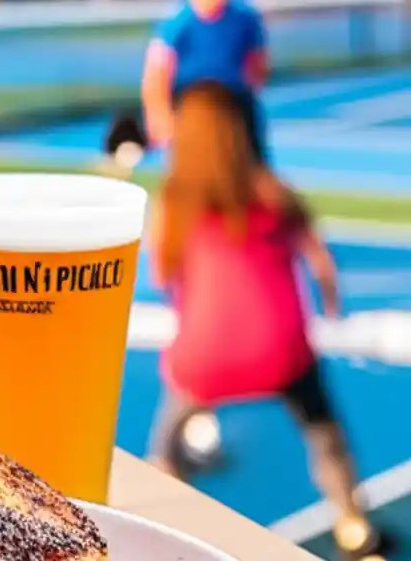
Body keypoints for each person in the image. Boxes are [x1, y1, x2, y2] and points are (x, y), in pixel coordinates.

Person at [147, 82, 380, 560]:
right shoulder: (275, 194)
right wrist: (331, 306)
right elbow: (321, 265)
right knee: (324, 431)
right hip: (281, 354)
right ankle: (353, 524)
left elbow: (163, 272)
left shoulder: (173, 202)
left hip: (204, 360)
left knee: (163, 448)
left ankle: (159, 522)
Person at [141, 0, 269, 161]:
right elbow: (156, 76)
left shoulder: (244, 17)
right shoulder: (177, 24)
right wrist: (160, 117)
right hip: (191, 110)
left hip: (235, 106)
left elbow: (257, 63)